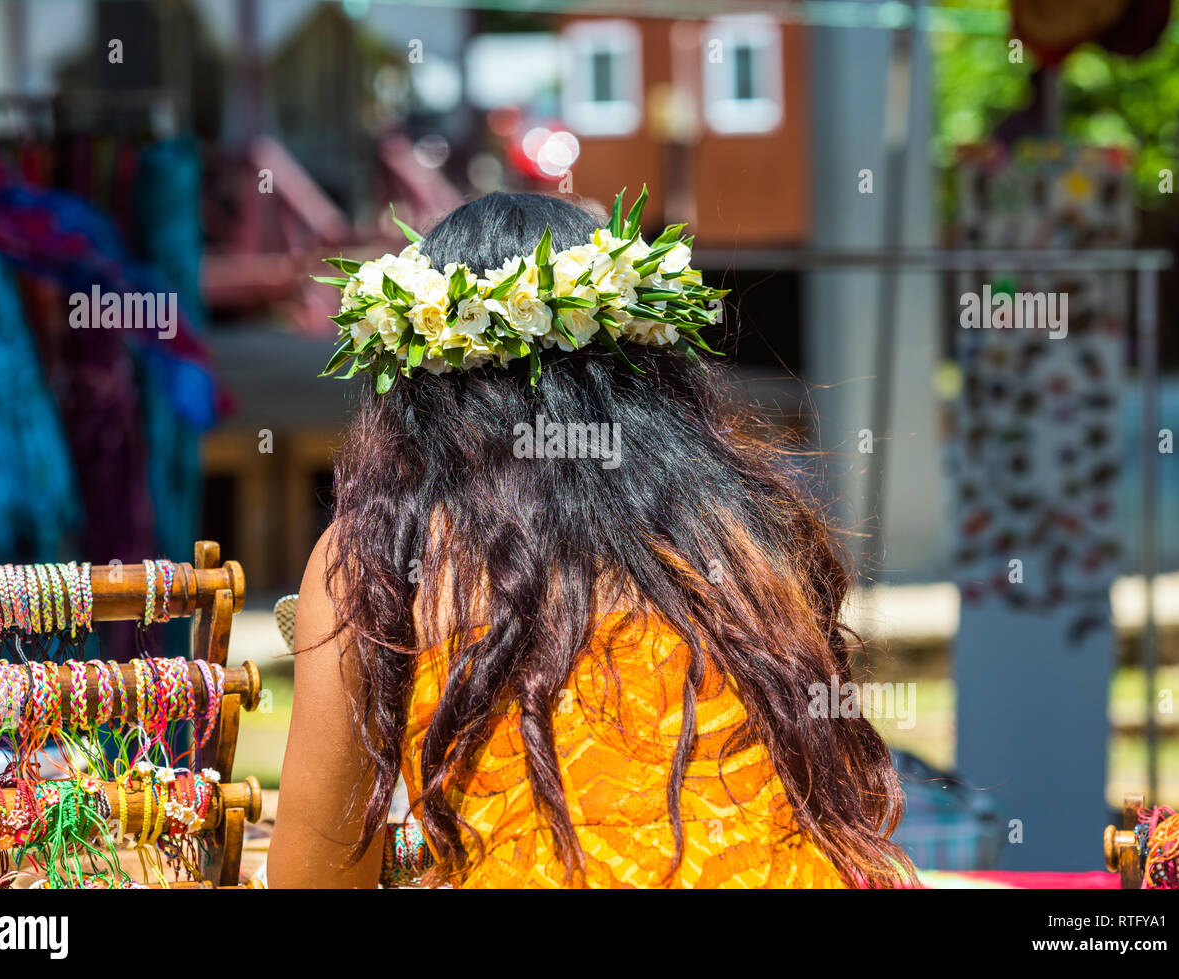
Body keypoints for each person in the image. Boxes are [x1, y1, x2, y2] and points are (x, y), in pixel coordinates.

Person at [267, 191, 914, 888]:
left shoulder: (376, 557)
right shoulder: (748, 527)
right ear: (648, 370)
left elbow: (313, 877)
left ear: (418, 386)